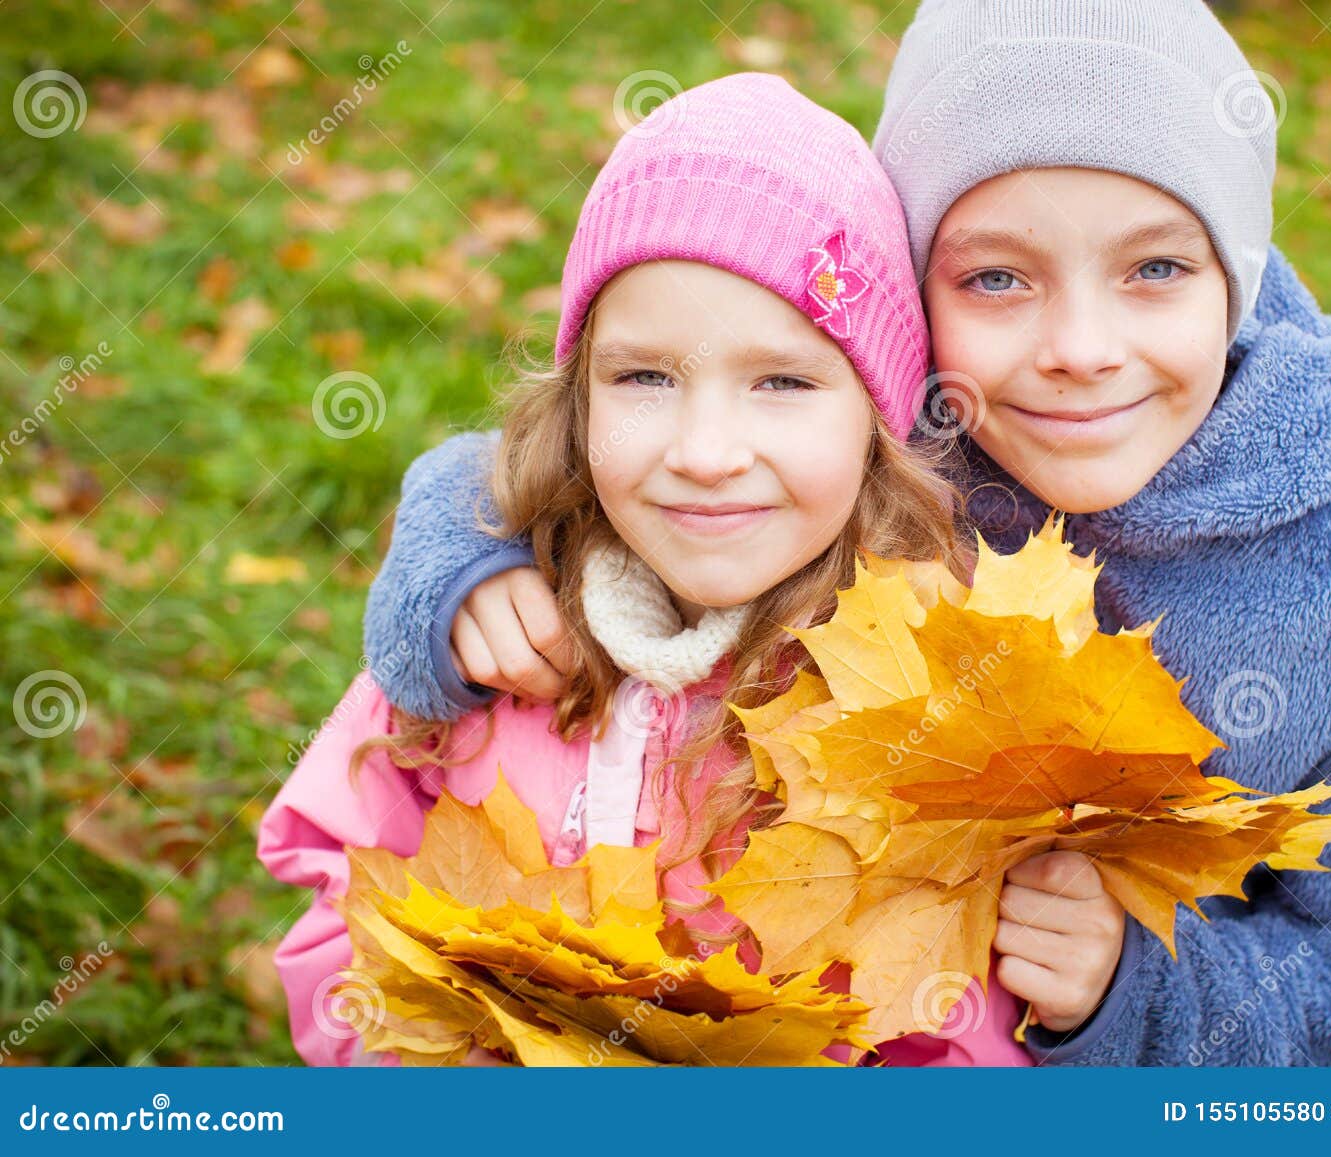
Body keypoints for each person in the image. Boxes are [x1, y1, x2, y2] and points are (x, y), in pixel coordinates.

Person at [359, 0, 1331, 1066]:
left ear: (1233, 275)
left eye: (1155, 268)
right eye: (997, 276)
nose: (1080, 347)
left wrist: (1135, 986)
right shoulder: (882, 437)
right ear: (900, 304)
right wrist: (457, 567)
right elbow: (574, 445)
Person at [256, 71, 1052, 1066]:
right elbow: (342, 893)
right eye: (645, 377)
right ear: (578, 398)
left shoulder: (927, 700)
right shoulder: (483, 633)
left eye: (782, 381)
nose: (706, 449)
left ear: (876, 424)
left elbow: (964, 1034)